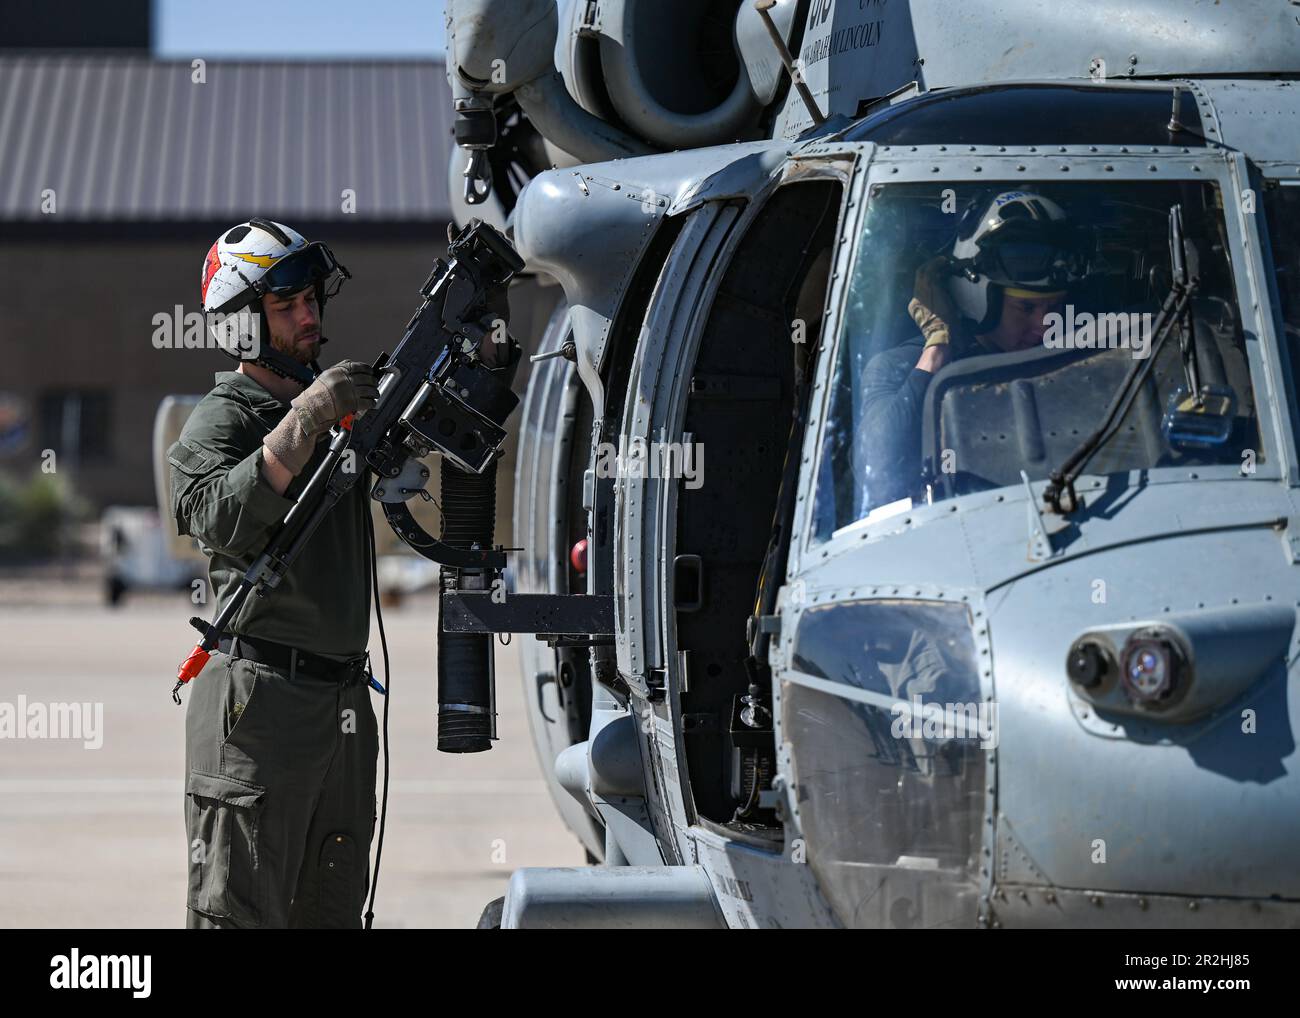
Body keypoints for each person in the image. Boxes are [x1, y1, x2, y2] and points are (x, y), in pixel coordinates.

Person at [169, 218, 381, 928]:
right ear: (243, 324)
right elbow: (215, 515)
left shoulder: (337, 420)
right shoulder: (221, 419)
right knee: (239, 910)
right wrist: (309, 415)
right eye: (287, 306)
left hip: (341, 704)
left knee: (331, 908)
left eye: (313, 300)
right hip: (258, 708)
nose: (309, 317)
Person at [858, 191, 1080, 507]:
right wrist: (938, 346)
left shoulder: (1078, 359)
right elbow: (877, 465)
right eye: (1025, 308)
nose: (1045, 325)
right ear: (977, 295)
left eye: (1054, 306)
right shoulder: (899, 366)